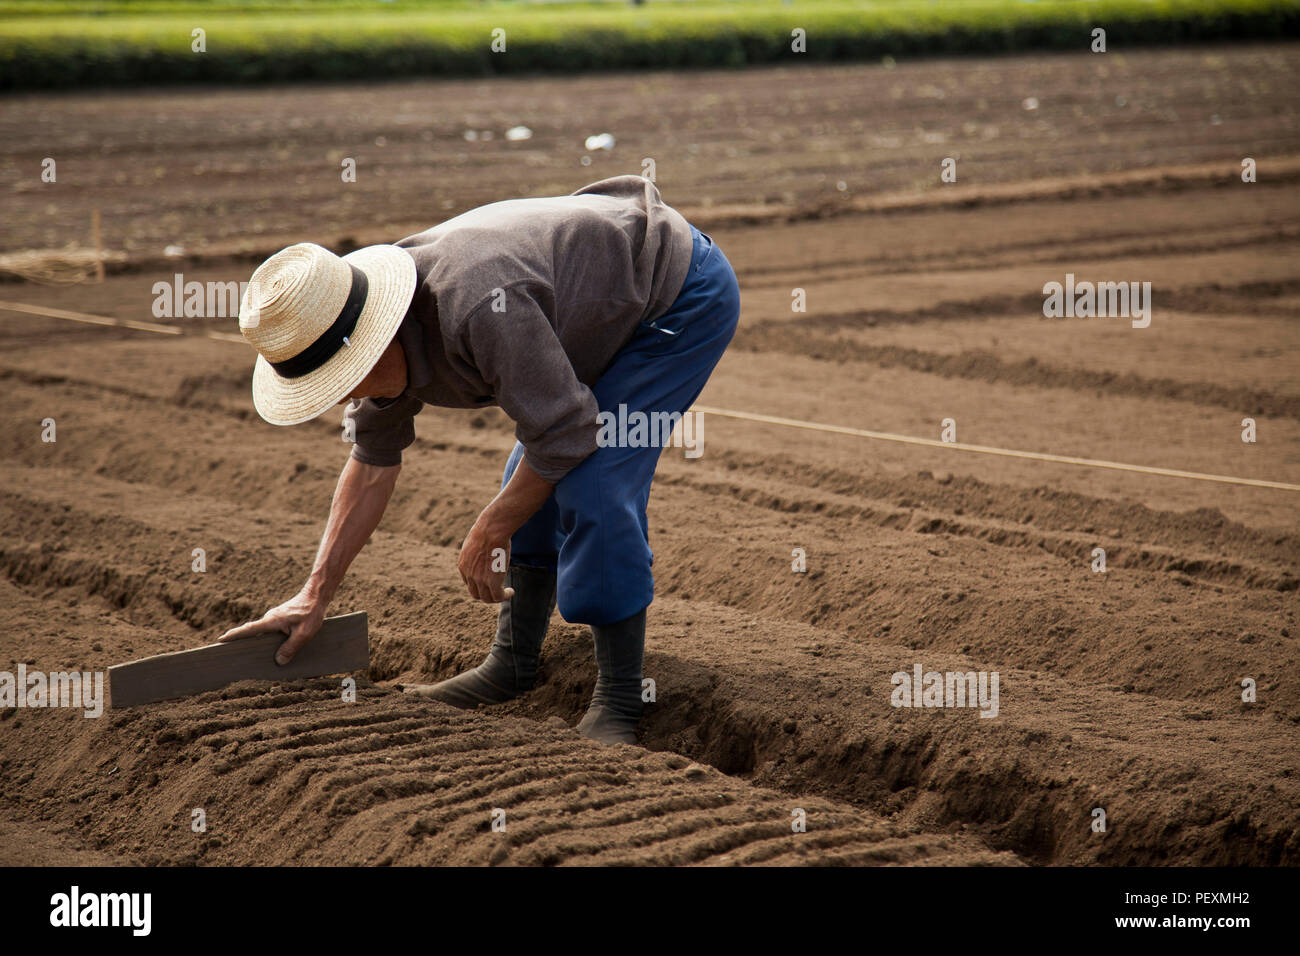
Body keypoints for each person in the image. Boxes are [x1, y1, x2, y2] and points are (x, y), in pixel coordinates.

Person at [217, 175, 740, 745]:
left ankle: (620, 699)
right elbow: (371, 464)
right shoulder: (367, 327)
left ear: (372, 341)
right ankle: (513, 663)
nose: (342, 396)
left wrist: (489, 527)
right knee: (529, 480)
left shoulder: (478, 305)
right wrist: (313, 595)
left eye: (339, 379)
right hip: (585, 298)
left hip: (674, 296)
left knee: (593, 481)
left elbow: (565, 434)